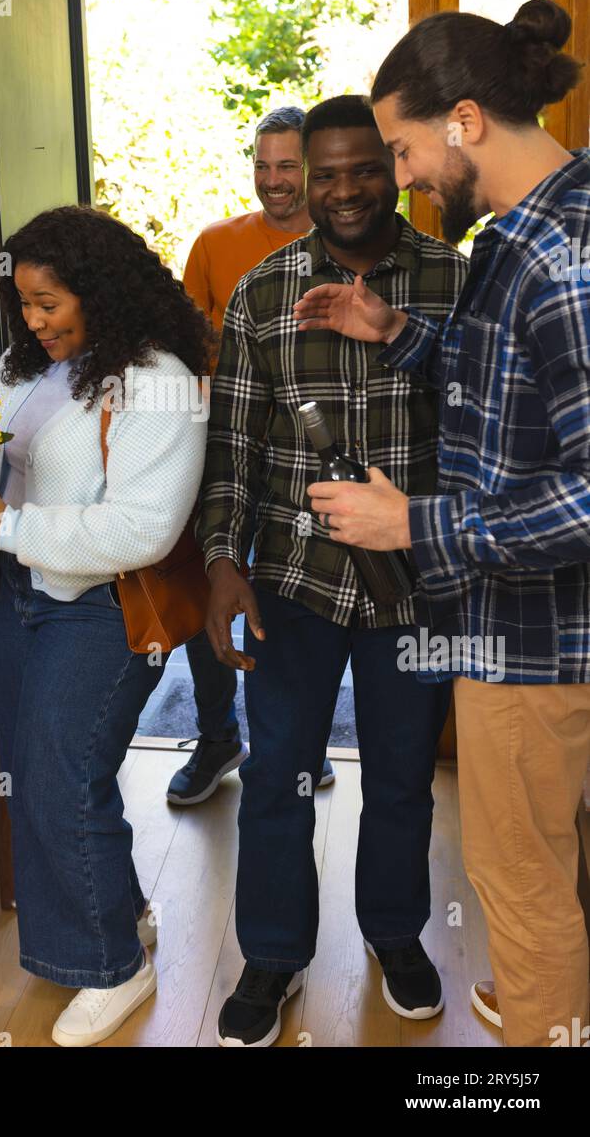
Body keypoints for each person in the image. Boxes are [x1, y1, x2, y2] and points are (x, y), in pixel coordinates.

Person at [295, 0, 590, 1049]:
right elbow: (523, 395)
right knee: (540, 875)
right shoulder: (533, 231)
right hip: (524, 627)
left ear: (465, 119)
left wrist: (417, 524)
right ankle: (543, 995)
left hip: (537, 643)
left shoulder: (559, 255)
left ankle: (545, 1019)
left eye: (409, 148)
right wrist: (401, 333)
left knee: (520, 877)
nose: (405, 176)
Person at [0, 206, 213, 1047]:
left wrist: (5, 529)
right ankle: (124, 916)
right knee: (37, 774)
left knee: (63, 782)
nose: (32, 320)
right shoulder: (29, 367)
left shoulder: (158, 379)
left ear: (98, 290)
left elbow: (144, 530)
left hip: (101, 610)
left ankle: (112, 969)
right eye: (22, 302)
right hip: (28, 595)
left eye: (49, 302)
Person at [198, 96, 467, 1046]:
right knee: (277, 774)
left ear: (391, 168)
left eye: (363, 168)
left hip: (416, 584)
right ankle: (271, 953)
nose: (344, 189)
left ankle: (395, 934)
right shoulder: (262, 292)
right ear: (300, 176)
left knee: (400, 777)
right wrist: (222, 565)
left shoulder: (450, 279)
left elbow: (485, 424)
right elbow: (232, 440)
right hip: (293, 583)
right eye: (324, 173)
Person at [170, 106, 335, 805]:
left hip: (306, 466)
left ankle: (298, 746)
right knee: (207, 586)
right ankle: (216, 737)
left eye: (286, 166)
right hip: (223, 452)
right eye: (262, 166)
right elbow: (182, 352)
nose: (273, 180)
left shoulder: (344, 246)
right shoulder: (214, 245)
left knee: (295, 606)